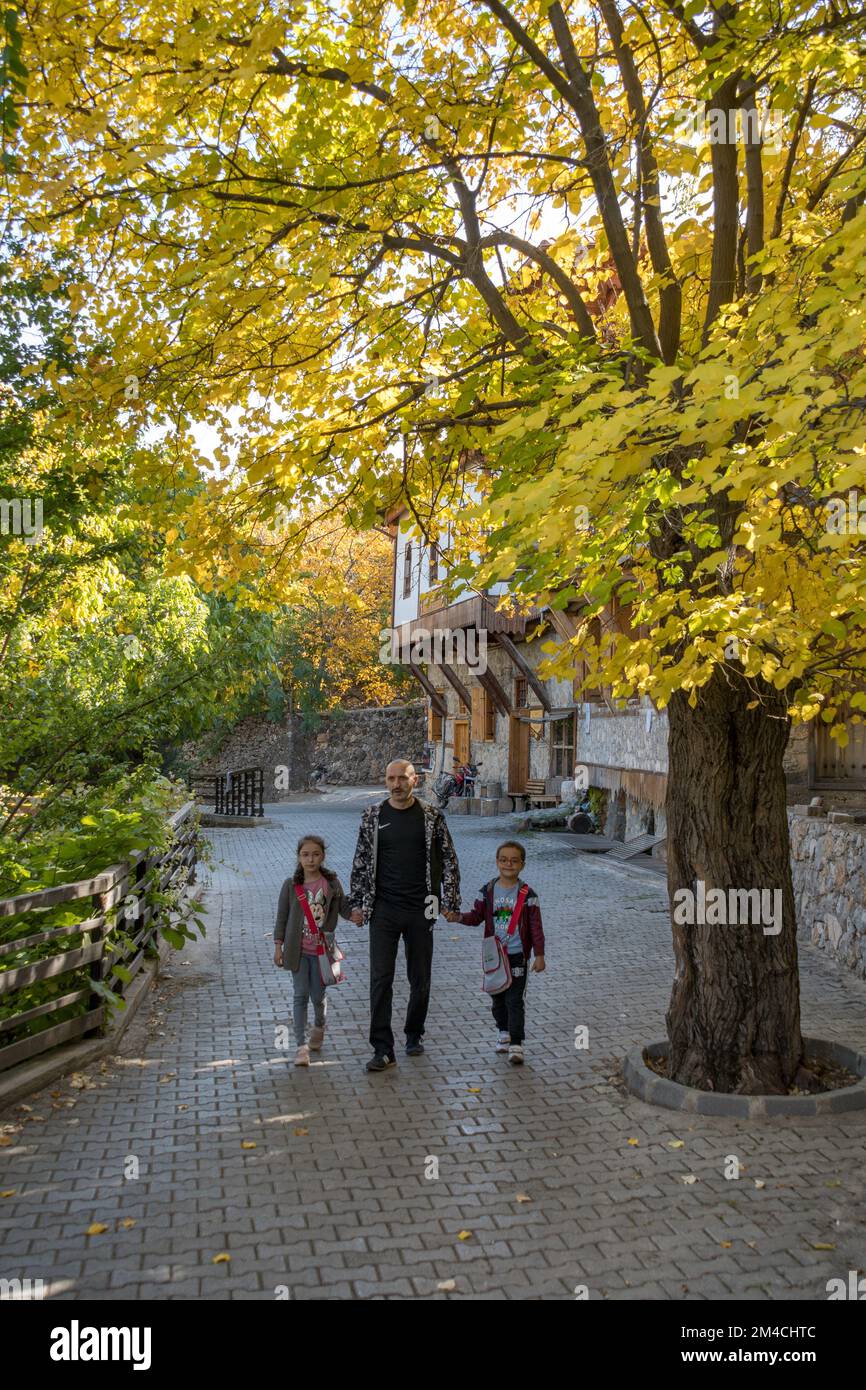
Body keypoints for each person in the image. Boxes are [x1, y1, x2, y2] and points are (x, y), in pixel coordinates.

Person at [349, 759, 460, 1071]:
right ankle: (383, 1049)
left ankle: (414, 1033)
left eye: (402, 778)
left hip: (422, 908)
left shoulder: (431, 816)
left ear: (415, 780)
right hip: (383, 908)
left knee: (419, 977)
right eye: (391, 779)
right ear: (385, 781)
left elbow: (449, 859)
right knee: (380, 979)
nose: (396, 784)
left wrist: (449, 901)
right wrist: (356, 904)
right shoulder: (372, 816)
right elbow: (360, 862)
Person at [445, 840, 545, 1065]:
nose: (508, 864)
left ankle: (517, 1043)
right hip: (494, 957)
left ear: (522, 865)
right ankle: (503, 1032)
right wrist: (458, 917)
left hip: (517, 955)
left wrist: (539, 955)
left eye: (514, 860)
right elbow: (476, 916)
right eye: (503, 860)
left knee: (515, 1000)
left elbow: (536, 927)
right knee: (497, 998)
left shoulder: (529, 896)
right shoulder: (487, 890)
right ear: (497, 862)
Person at [273, 834, 354, 1066]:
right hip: (296, 952)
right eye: (305, 855)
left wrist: (357, 915)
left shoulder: (331, 884)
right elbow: (282, 918)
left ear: (323, 856)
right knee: (300, 995)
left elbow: (344, 909)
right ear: (299, 857)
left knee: (318, 997)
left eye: (315, 854)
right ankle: (301, 1046)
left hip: (322, 953)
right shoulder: (291, 885)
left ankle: (319, 1025)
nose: (310, 859)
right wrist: (278, 947)